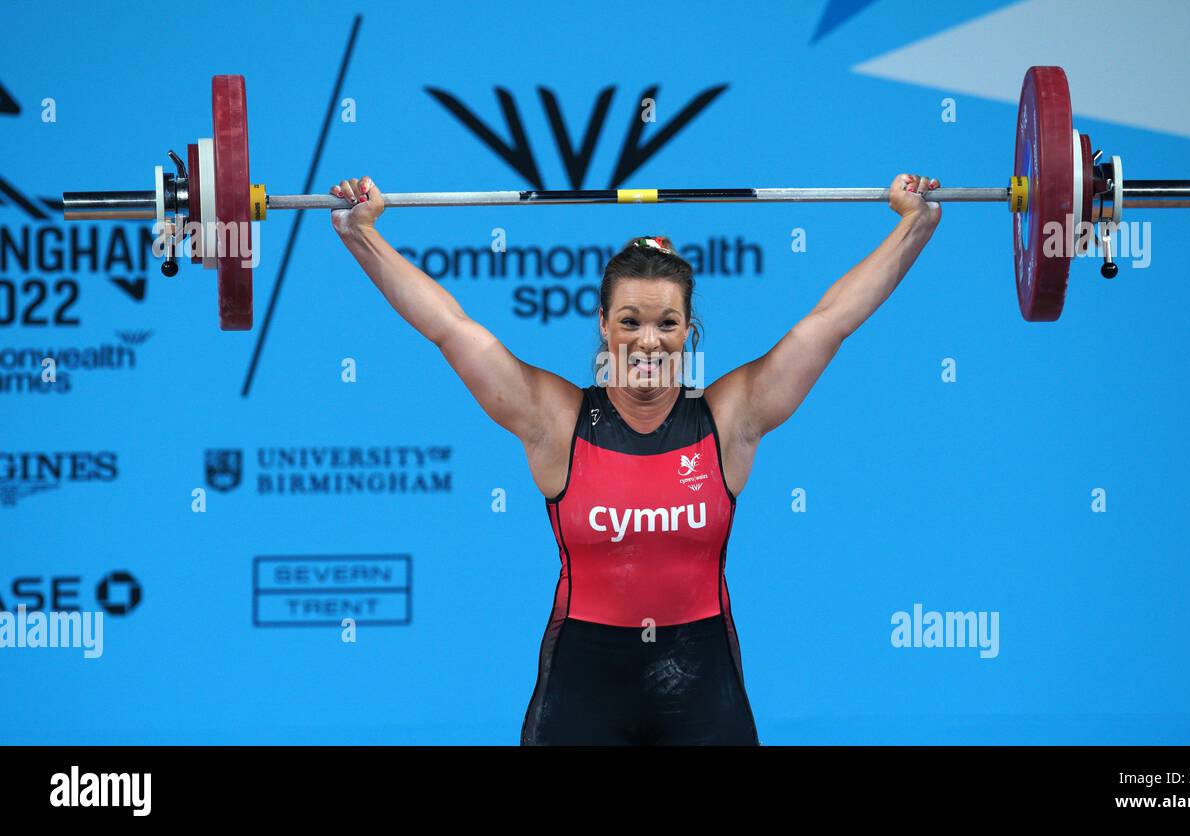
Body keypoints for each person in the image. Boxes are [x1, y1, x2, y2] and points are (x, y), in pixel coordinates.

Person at [329, 172, 942, 744]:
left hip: (703, 683)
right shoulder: (555, 422)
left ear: (688, 330)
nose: (648, 340)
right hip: (582, 690)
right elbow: (450, 327)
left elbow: (830, 323)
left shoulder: (731, 419)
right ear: (602, 324)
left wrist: (912, 225)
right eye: (630, 320)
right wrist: (365, 236)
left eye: (667, 322)